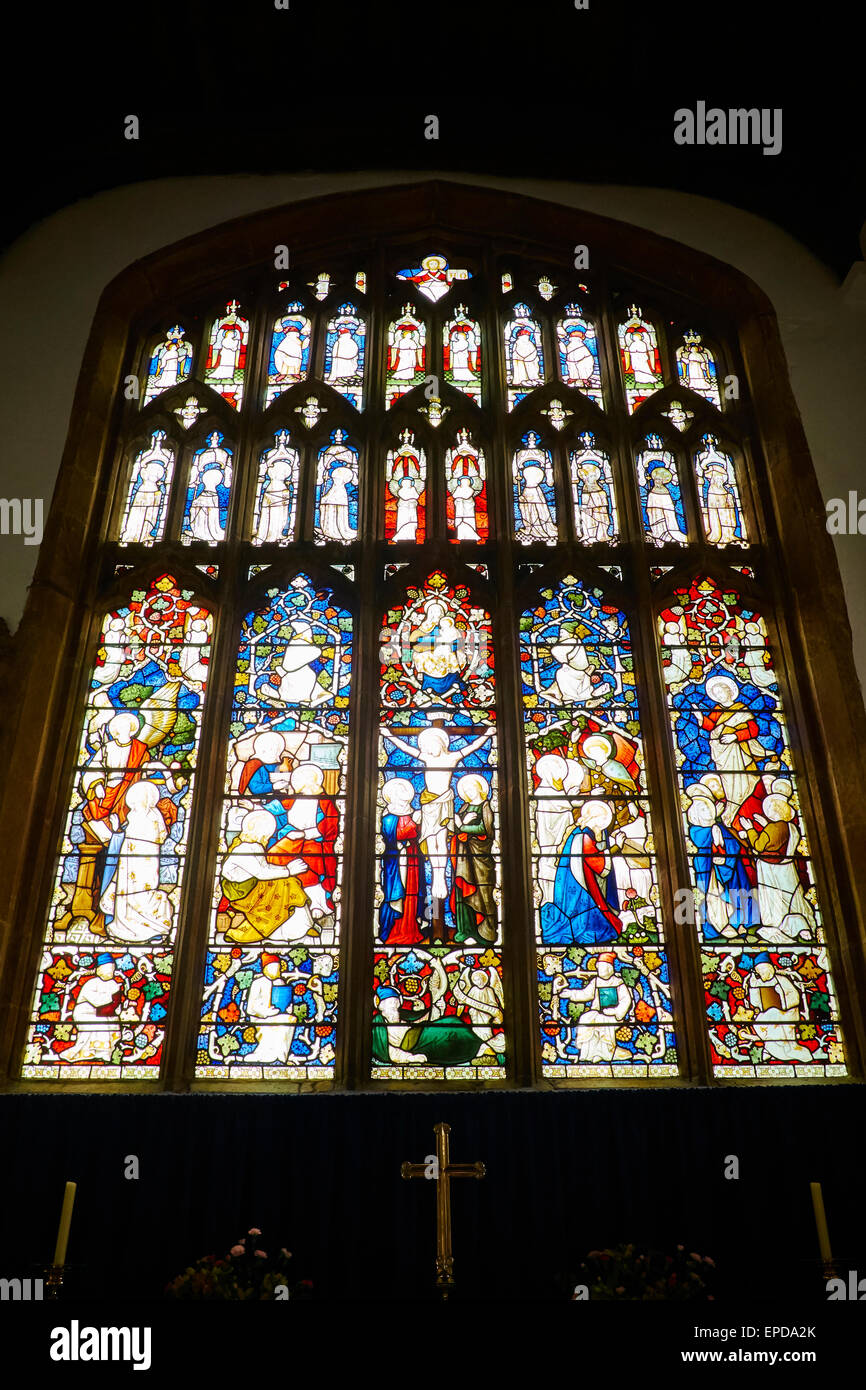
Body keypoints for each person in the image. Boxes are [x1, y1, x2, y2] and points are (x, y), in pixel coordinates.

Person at [218, 810, 309, 944]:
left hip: (252, 885)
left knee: (289, 882)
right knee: (285, 885)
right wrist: (288, 871)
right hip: (240, 892)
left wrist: (286, 870)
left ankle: (303, 925)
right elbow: (261, 872)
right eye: (266, 832)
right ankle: (264, 930)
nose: (267, 836)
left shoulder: (256, 847)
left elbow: (267, 868)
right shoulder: (243, 849)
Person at [99, 781, 173, 943]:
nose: (136, 802)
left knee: (142, 889)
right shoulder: (133, 815)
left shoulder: (154, 816)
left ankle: (147, 925)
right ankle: (126, 924)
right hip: (129, 858)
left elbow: (160, 837)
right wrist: (117, 828)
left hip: (145, 859)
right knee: (127, 889)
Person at [540, 800, 622, 945]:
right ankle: (581, 928)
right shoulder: (583, 836)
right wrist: (617, 847)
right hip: (579, 885)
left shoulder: (580, 833)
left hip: (571, 881)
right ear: (594, 819)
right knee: (590, 922)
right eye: (601, 820)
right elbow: (599, 865)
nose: (602, 825)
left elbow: (596, 853)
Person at [551, 953, 632, 1063]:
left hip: (613, 1015)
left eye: (603, 967)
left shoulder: (618, 983)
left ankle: (607, 1053)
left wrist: (615, 1011)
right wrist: (570, 994)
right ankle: (589, 1054)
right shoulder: (596, 981)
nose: (600, 970)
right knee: (585, 1018)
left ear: (610, 968)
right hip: (597, 1012)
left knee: (602, 1021)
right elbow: (585, 994)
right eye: (599, 967)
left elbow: (626, 1000)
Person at [378, 778, 427, 944]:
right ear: (392, 795)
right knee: (396, 893)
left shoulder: (415, 813)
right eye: (399, 792)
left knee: (414, 892)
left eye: (405, 791)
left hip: (413, 857)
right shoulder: (388, 816)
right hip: (395, 859)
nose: (404, 795)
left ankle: (413, 927)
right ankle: (393, 931)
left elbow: (421, 835)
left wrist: (420, 824)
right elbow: (389, 836)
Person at [451, 774, 497, 944]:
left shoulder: (486, 806)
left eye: (471, 787)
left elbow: (486, 829)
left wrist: (462, 825)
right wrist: (458, 825)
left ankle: (485, 931)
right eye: (465, 790)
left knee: (483, 891)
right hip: (463, 857)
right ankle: (465, 929)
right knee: (462, 891)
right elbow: (456, 831)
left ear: (479, 788)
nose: (468, 791)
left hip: (480, 857)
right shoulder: (464, 808)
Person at [61, 954, 122, 1065]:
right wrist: (111, 997)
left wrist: (114, 1001)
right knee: (100, 1022)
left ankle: (105, 1052)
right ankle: (95, 1052)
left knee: (114, 1021)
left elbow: (115, 1003)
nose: (110, 972)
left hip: (103, 1013)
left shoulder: (113, 984)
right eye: (107, 969)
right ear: (98, 970)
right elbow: (97, 1001)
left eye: (112, 969)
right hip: (84, 1013)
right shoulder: (91, 983)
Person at [244, 953, 298, 1065]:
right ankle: (264, 1054)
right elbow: (250, 1008)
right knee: (277, 1021)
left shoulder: (281, 982)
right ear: (266, 969)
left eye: (278, 968)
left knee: (291, 1019)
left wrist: (288, 1009)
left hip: (278, 1014)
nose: (277, 970)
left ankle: (281, 1055)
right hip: (260, 1018)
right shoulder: (257, 983)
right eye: (274, 967)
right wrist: (266, 1012)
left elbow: (285, 1000)